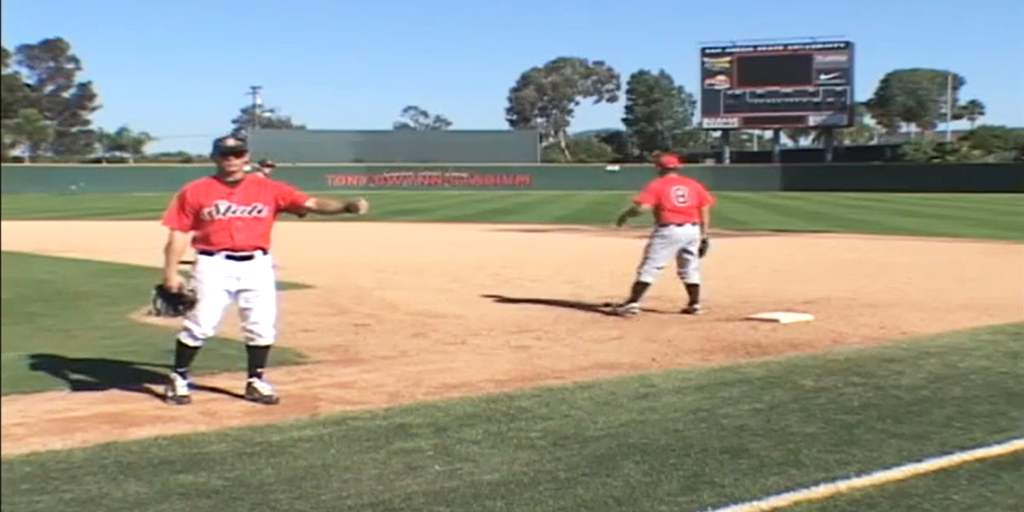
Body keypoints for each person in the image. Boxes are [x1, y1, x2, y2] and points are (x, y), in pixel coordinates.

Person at [158, 135, 369, 405]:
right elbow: (178, 234)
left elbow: (311, 203)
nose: (232, 159)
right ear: (214, 157)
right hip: (212, 263)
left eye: (237, 154)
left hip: (257, 264)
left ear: (247, 157)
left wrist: (344, 207)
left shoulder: (269, 189)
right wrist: (170, 273)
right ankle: (179, 378)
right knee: (200, 324)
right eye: (225, 154)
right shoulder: (195, 191)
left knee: (261, 326)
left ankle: (256, 381)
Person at [611, 153, 715, 316]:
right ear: (678, 167)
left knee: (650, 266)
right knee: (689, 268)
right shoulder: (693, 184)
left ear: (658, 168)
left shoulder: (657, 185)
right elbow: (704, 208)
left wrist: (625, 215)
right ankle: (695, 304)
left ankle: (632, 303)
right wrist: (704, 235)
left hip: (669, 230)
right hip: (693, 230)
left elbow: (642, 207)